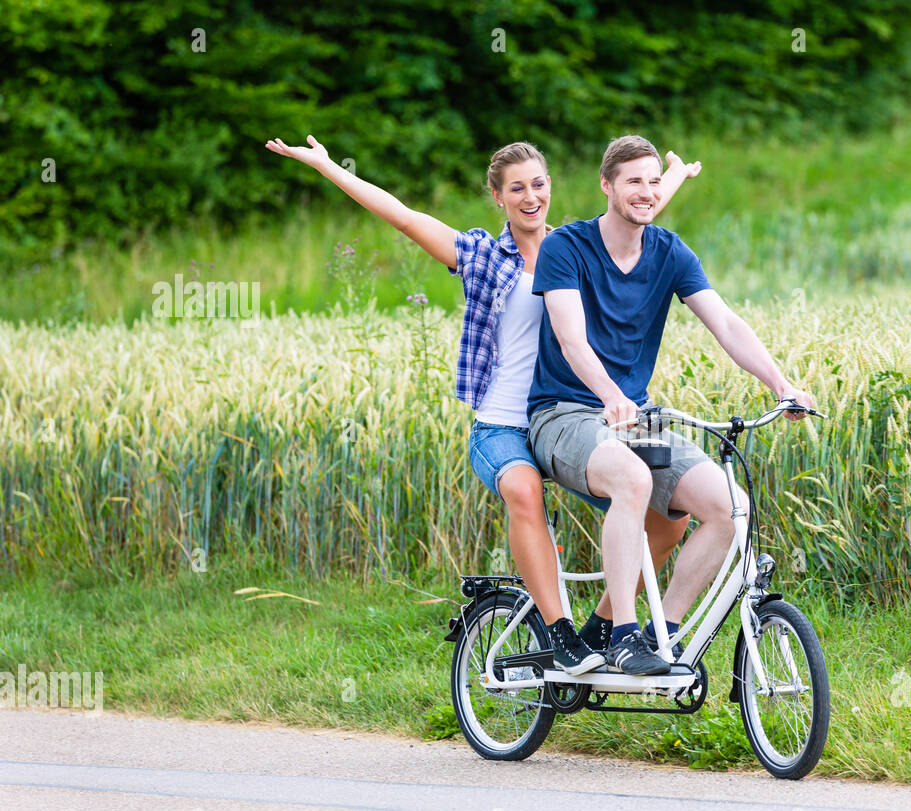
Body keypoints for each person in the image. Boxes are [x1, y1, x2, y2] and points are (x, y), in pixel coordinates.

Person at [264, 134, 699, 674]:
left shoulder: (578, 248)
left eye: (538, 184)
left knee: (668, 516)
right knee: (523, 489)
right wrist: (329, 167)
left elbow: (635, 212)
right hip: (503, 426)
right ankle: (559, 630)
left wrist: (673, 174)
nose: (530, 196)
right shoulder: (479, 255)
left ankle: (605, 627)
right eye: (516, 188)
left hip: (572, 419)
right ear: (499, 197)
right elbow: (403, 217)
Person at [528, 135, 816, 676]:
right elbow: (571, 339)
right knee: (633, 480)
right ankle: (623, 632)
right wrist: (610, 395)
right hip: (564, 413)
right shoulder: (566, 247)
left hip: (634, 416)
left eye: (654, 180)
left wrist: (782, 385)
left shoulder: (669, 251)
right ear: (606, 185)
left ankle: (663, 635)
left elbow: (726, 323)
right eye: (633, 180)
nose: (646, 191)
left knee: (731, 508)